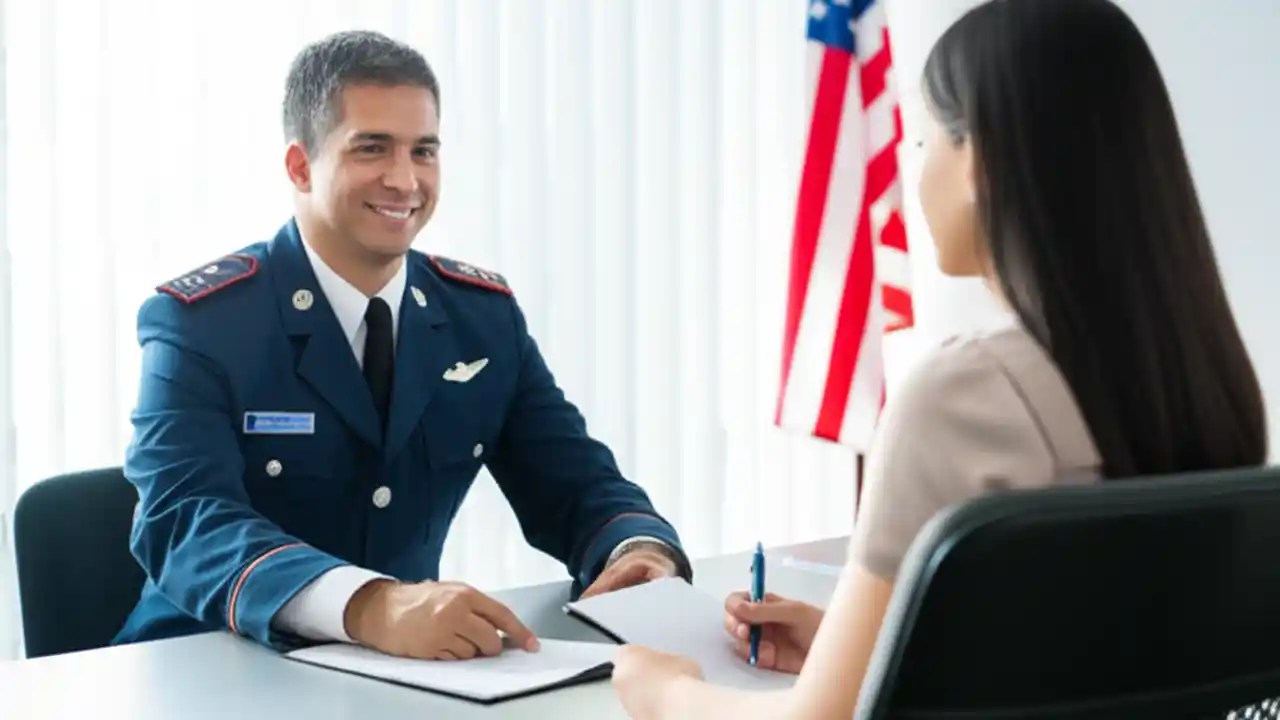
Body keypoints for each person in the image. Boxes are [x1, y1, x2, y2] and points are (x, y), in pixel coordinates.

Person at [610, 0, 1268, 716]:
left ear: (977, 160)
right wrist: (876, 652)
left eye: (923, 144)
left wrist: (664, 690)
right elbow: (1100, 659)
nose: (913, 175)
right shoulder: (1209, 381)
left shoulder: (966, 393)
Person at [113, 30, 692, 660]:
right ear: (301, 166)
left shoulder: (480, 319)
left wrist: (638, 552)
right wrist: (369, 604)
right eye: (372, 148)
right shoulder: (201, 323)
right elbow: (185, 522)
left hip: (400, 680)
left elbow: (576, 482)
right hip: (208, 669)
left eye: (424, 151)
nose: (404, 179)